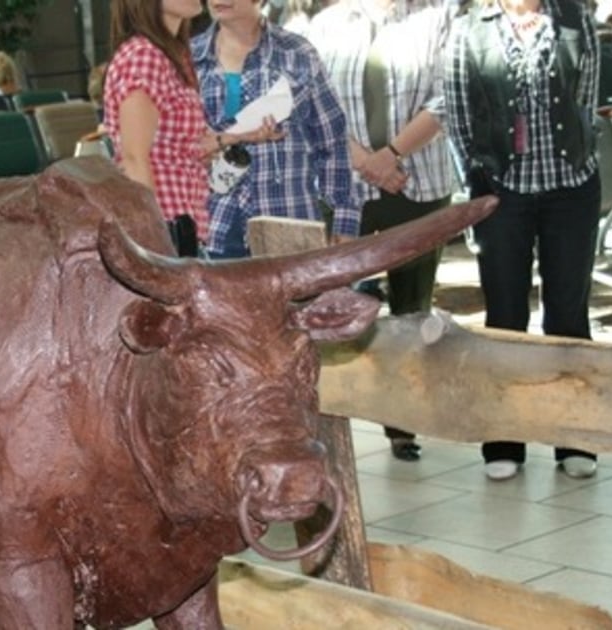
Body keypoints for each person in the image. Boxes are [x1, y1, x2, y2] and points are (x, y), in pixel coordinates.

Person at [445, 0, 601, 480]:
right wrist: (480, 175)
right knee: (505, 315)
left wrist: (580, 154)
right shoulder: (467, 31)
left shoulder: (575, 19)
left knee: (568, 314)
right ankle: (503, 443)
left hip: (571, 185)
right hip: (502, 190)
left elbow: (586, 100)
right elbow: (458, 113)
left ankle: (575, 440)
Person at [309, 0, 457, 461]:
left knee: (412, 312)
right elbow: (314, 103)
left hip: (418, 182)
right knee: (327, 308)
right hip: (342, 186)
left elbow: (447, 97)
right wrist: (366, 161)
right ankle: (322, 419)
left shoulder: (442, 15)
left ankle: (403, 424)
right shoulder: (326, 25)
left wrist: (391, 154)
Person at [103, 0, 281, 254]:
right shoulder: (143, 56)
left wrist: (238, 136)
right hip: (166, 230)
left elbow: (175, 146)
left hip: (186, 224)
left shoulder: (171, 54)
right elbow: (134, 158)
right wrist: (155, 241)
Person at [191, 0, 358, 260]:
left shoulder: (297, 54)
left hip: (288, 225)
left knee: (297, 302)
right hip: (211, 230)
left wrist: (345, 222)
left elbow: (332, 143)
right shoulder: (187, 59)